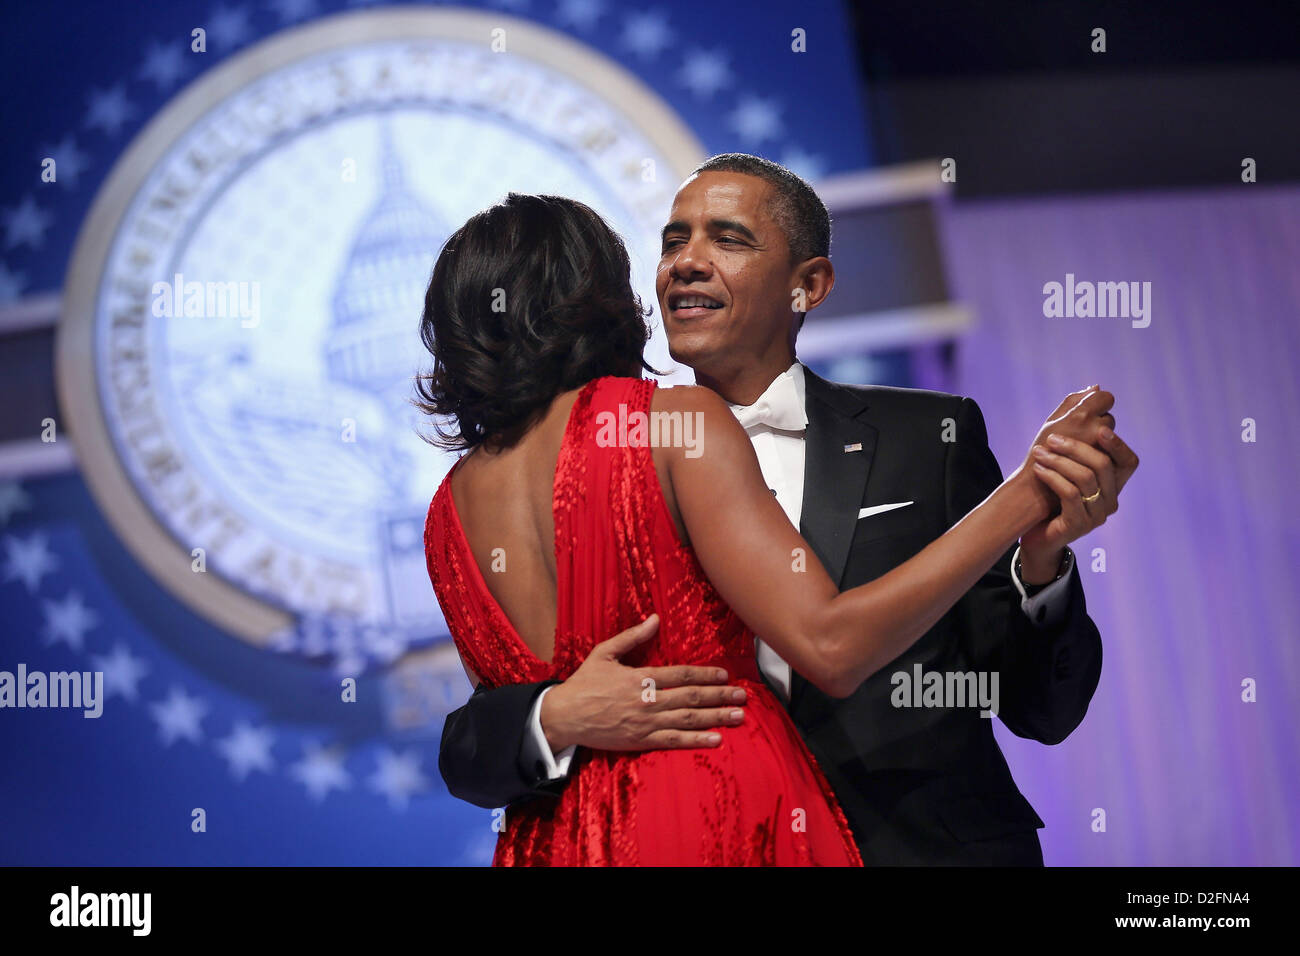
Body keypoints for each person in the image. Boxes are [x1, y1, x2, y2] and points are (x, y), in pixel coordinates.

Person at [421, 173, 1135, 865]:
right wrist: (554, 716)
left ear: (809, 284)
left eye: (727, 238)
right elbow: (477, 738)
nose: (686, 263)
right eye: (672, 242)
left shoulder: (930, 436)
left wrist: (1038, 566)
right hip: (719, 823)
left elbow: (1036, 704)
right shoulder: (666, 431)